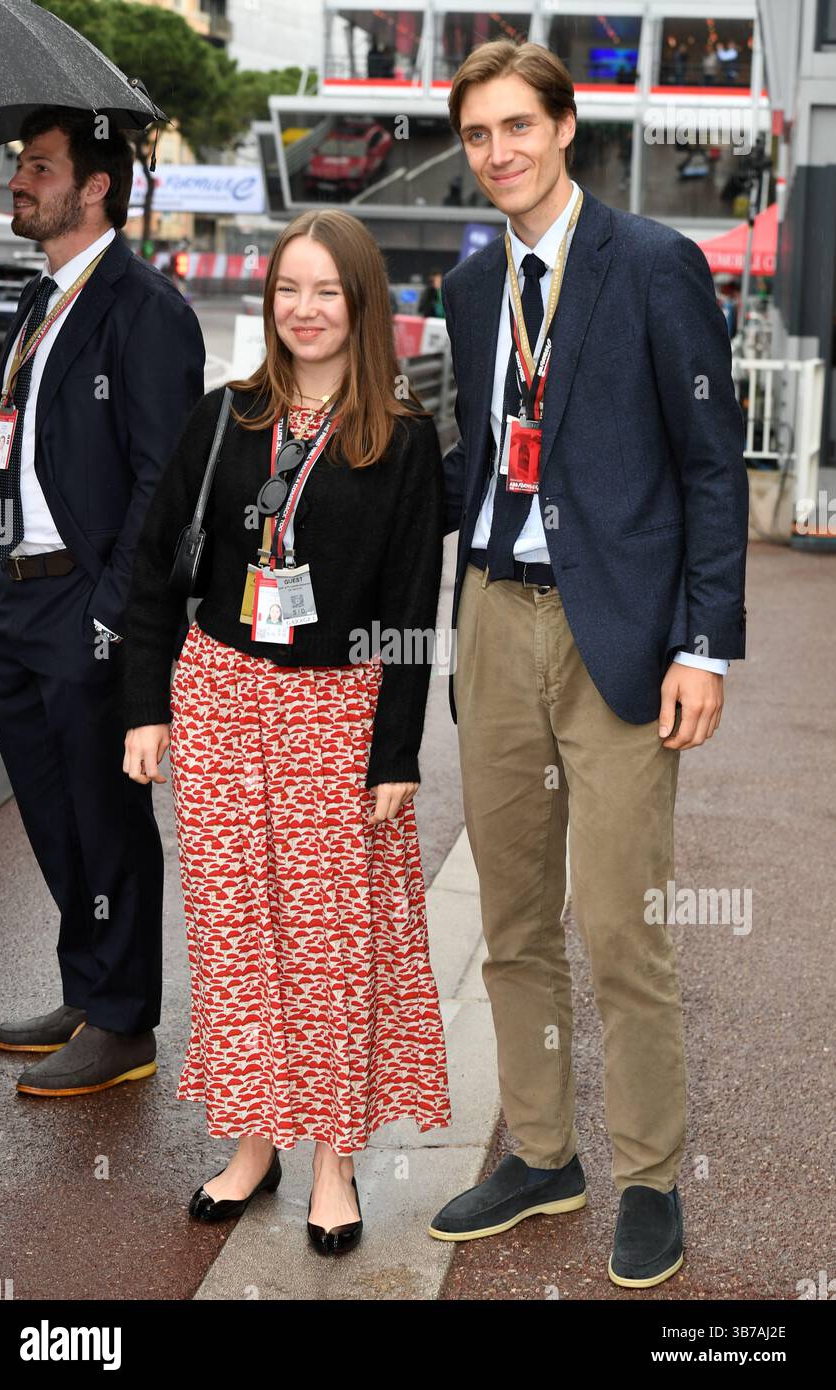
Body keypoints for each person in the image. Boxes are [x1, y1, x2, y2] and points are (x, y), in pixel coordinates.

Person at [429, 41, 748, 1288]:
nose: (498, 152)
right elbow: (475, 459)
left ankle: (651, 1176)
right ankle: (542, 1152)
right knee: (510, 920)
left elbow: (712, 466)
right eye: (477, 134)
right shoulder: (468, 289)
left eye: (517, 126)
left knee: (620, 925)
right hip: (496, 617)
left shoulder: (655, 265)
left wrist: (703, 644)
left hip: (619, 629)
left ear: (565, 128)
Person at [119, 207, 451, 1255]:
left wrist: (394, 753)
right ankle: (251, 1141)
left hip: (337, 710)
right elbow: (153, 567)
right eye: (286, 290)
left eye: (326, 291)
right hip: (218, 694)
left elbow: (410, 605)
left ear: (361, 305)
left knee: (329, 946)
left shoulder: (399, 440)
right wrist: (144, 702)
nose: (303, 311)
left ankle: (332, 1162)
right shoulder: (226, 415)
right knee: (232, 933)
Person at [0, 109, 205, 1094]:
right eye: (17, 164)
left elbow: (166, 481)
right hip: (14, 596)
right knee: (52, 811)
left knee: (106, 815)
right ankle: (88, 984)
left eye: (38, 166)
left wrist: (120, 610)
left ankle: (123, 1023)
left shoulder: (144, 310)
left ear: (95, 186)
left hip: (88, 602)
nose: (16, 180)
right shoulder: (40, 298)